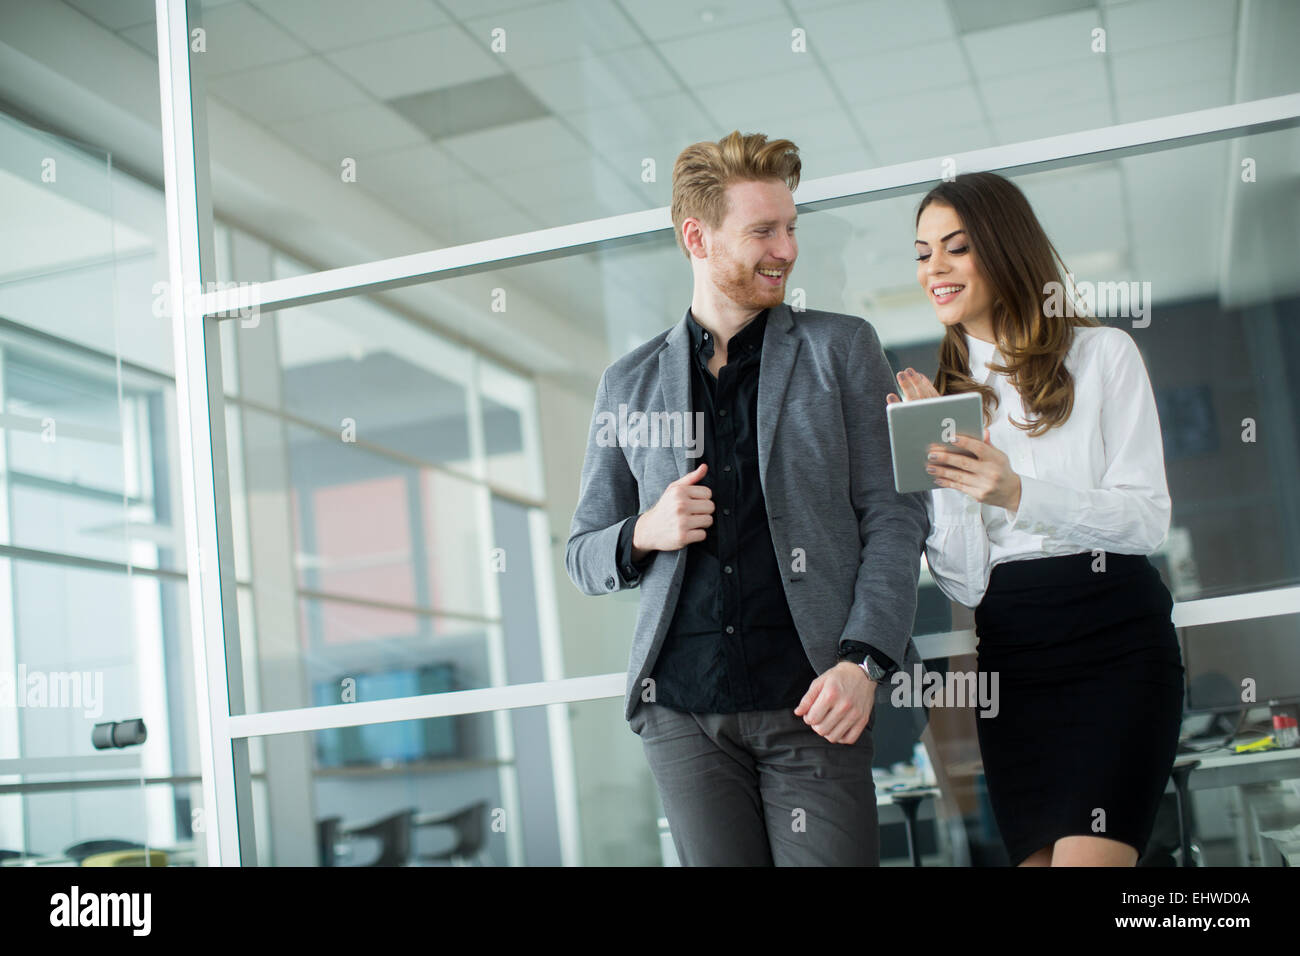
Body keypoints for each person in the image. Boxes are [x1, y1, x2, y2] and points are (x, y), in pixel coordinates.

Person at [565, 131, 928, 865]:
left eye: (791, 228)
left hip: (816, 702)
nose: (787, 249)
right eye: (764, 230)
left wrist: (865, 663)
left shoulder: (843, 349)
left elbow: (895, 516)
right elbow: (582, 554)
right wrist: (645, 532)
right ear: (697, 237)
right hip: (684, 717)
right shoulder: (628, 383)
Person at [889, 171, 1185, 867]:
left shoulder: (1103, 354)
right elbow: (963, 585)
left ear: (1004, 250)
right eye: (923, 252)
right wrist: (953, 472)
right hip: (1014, 662)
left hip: (1116, 645)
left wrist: (1017, 491)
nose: (935, 268)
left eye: (955, 248)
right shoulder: (948, 401)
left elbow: (1146, 522)